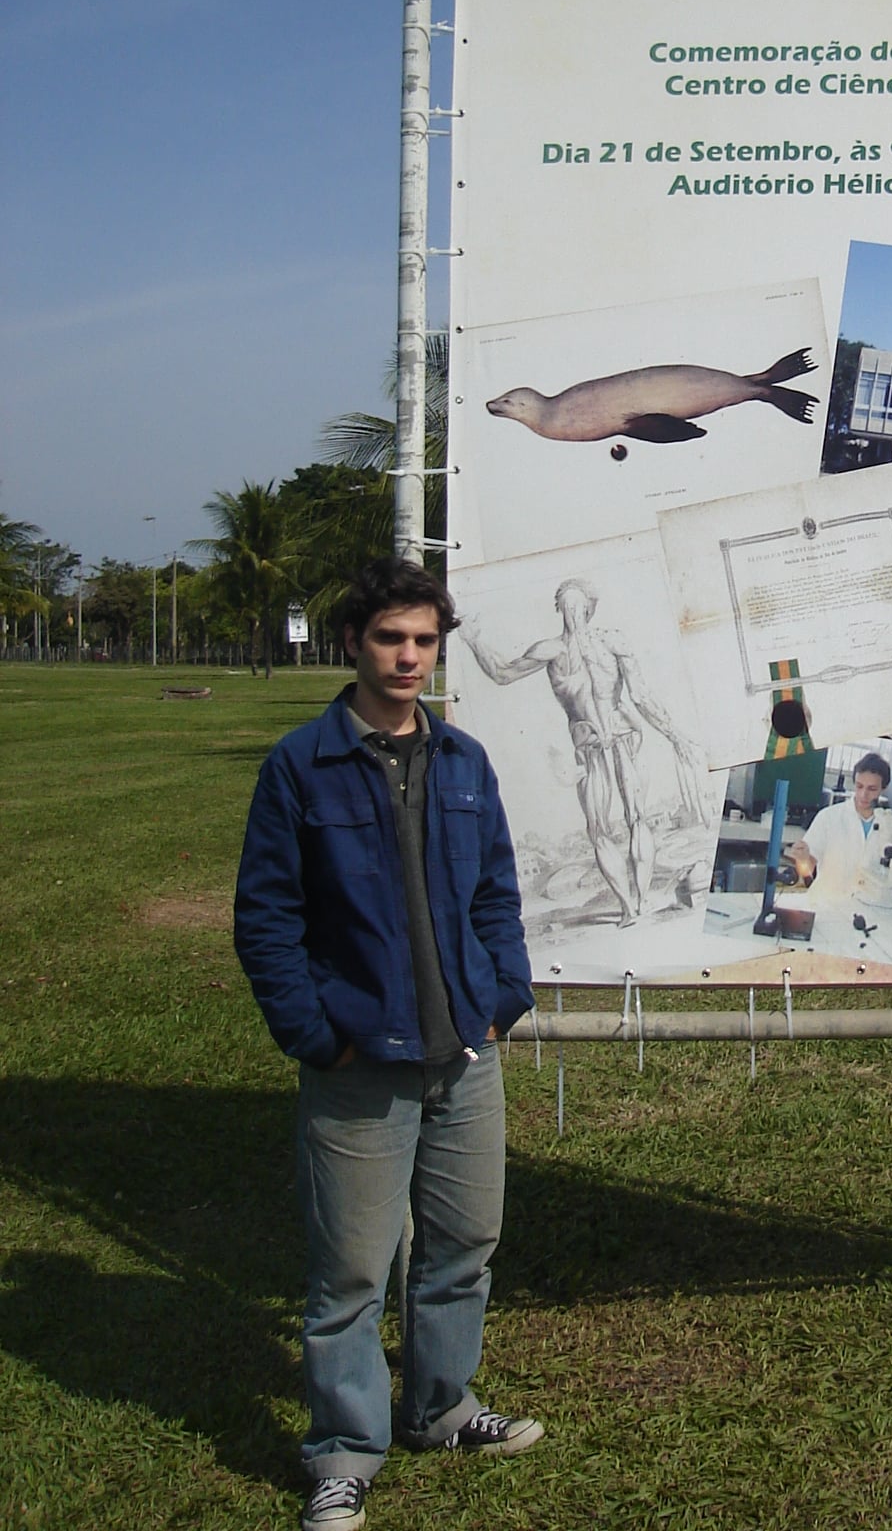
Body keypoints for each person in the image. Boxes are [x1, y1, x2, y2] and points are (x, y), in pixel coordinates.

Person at [235, 558, 541, 1531]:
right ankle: (342, 1453)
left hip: (466, 1056)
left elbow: (496, 893)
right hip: (360, 1064)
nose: (408, 657)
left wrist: (505, 995)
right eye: (389, 639)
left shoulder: (462, 763)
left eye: (423, 641)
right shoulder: (299, 765)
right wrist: (316, 1036)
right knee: (352, 1275)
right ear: (354, 645)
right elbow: (266, 916)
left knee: (463, 1250)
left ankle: (442, 1408)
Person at [462, 578, 709, 926]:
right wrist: (473, 639)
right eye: (568, 606)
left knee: (635, 819)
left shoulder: (611, 642)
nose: (574, 613)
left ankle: (636, 902)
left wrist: (675, 735)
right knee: (600, 827)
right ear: (560, 609)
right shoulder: (552, 650)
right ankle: (629, 906)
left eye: (577, 606)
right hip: (590, 746)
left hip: (622, 738)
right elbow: (502, 674)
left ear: (589, 609)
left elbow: (640, 696)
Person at [787, 752, 892, 908]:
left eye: (872, 789)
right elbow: (807, 869)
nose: (863, 794)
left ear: (883, 789)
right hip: (827, 905)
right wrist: (803, 858)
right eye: (859, 786)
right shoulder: (829, 817)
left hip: (868, 909)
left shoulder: (889, 825)